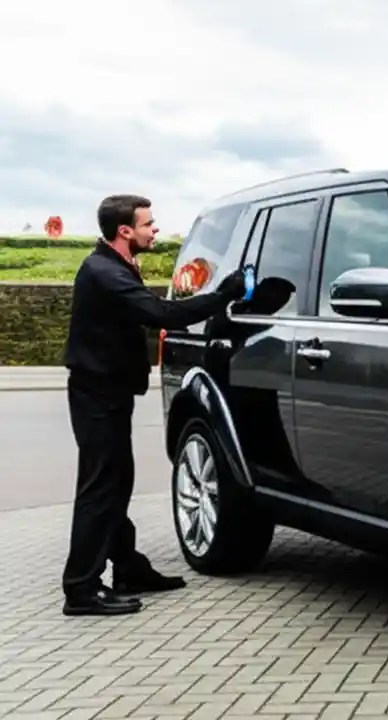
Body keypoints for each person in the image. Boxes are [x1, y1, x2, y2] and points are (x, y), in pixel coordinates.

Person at [60, 194, 246, 617]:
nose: (154, 229)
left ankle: (128, 568)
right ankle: (81, 589)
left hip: (108, 394)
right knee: (100, 489)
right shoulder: (104, 271)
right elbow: (161, 313)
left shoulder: (114, 265)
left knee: (115, 483)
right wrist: (222, 296)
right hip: (97, 396)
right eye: (148, 224)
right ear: (124, 230)